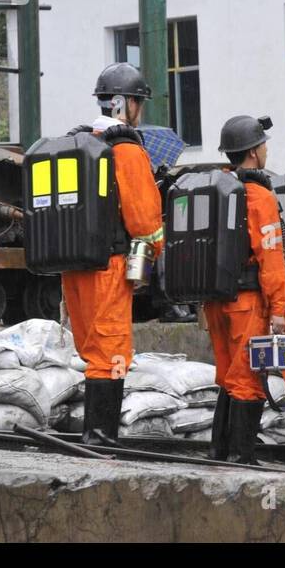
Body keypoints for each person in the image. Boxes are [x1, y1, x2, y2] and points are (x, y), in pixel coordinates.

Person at [62, 63, 165, 445]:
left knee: (92, 350)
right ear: (126, 104)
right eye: (139, 102)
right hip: (109, 266)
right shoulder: (126, 150)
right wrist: (156, 249)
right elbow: (144, 221)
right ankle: (101, 438)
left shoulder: (78, 145)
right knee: (111, 350)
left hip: (73, 266)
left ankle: (95, 433)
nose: (140, 109)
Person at [202, 115, 285, 464]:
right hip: (247, 302)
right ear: (253, 152)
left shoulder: (217, 190)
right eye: (264, 144)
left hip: (215, 300)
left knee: (226, 374)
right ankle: (241, 456)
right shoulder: (259, 196)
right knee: (247, 378)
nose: (267, 149)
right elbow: (271, 257)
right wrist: (279, 309)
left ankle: (218, 450)